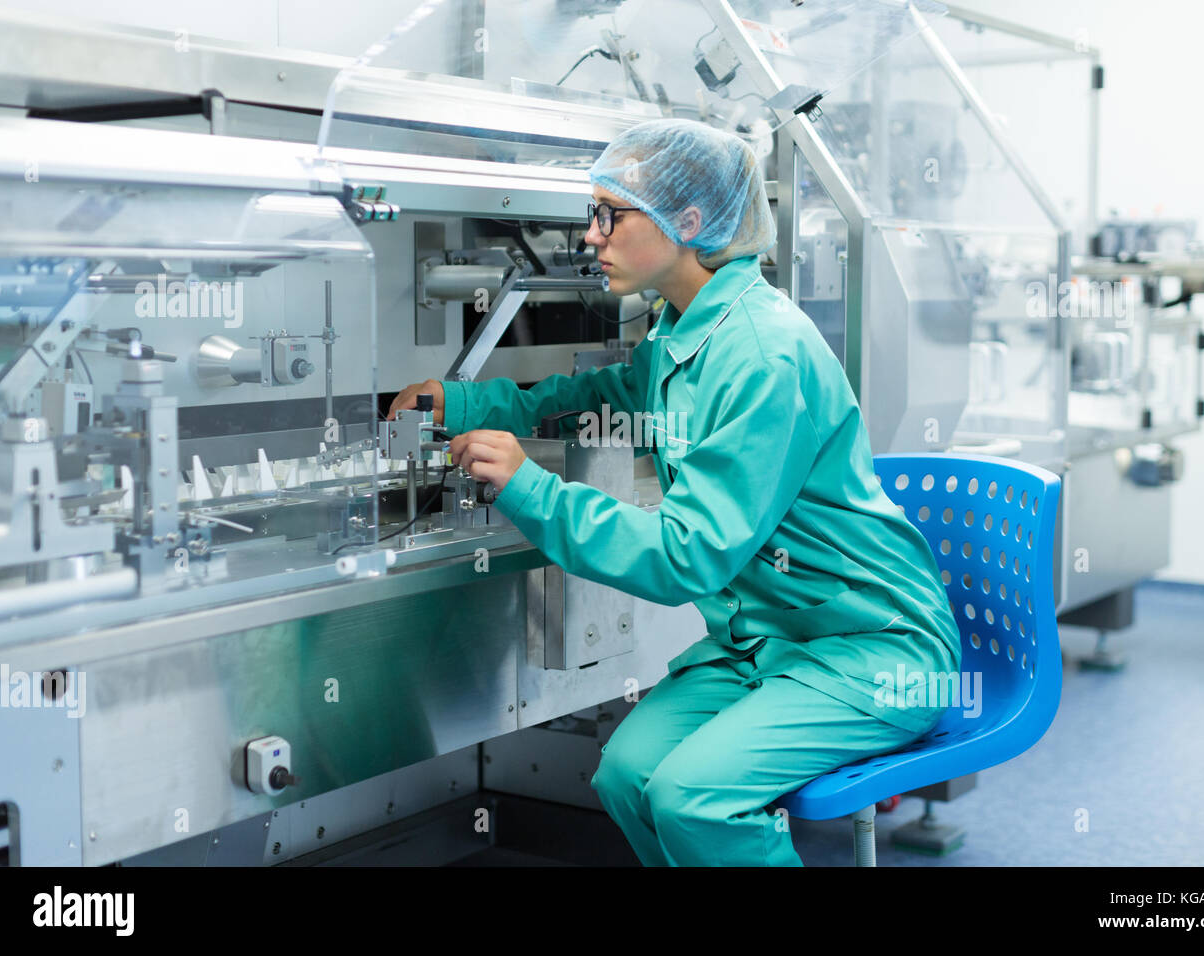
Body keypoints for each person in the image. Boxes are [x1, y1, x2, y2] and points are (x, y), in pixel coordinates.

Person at [388, 118, 961, 866]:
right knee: (627, 775)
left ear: (688, 223)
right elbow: (605, 395)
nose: (591, 235)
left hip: (870, 648)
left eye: (610, 215)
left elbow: (688, 555)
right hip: (768, 642)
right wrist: (466, 404)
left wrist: (532, 489)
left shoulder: (762, 356)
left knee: (693, 795)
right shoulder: (683, 327)